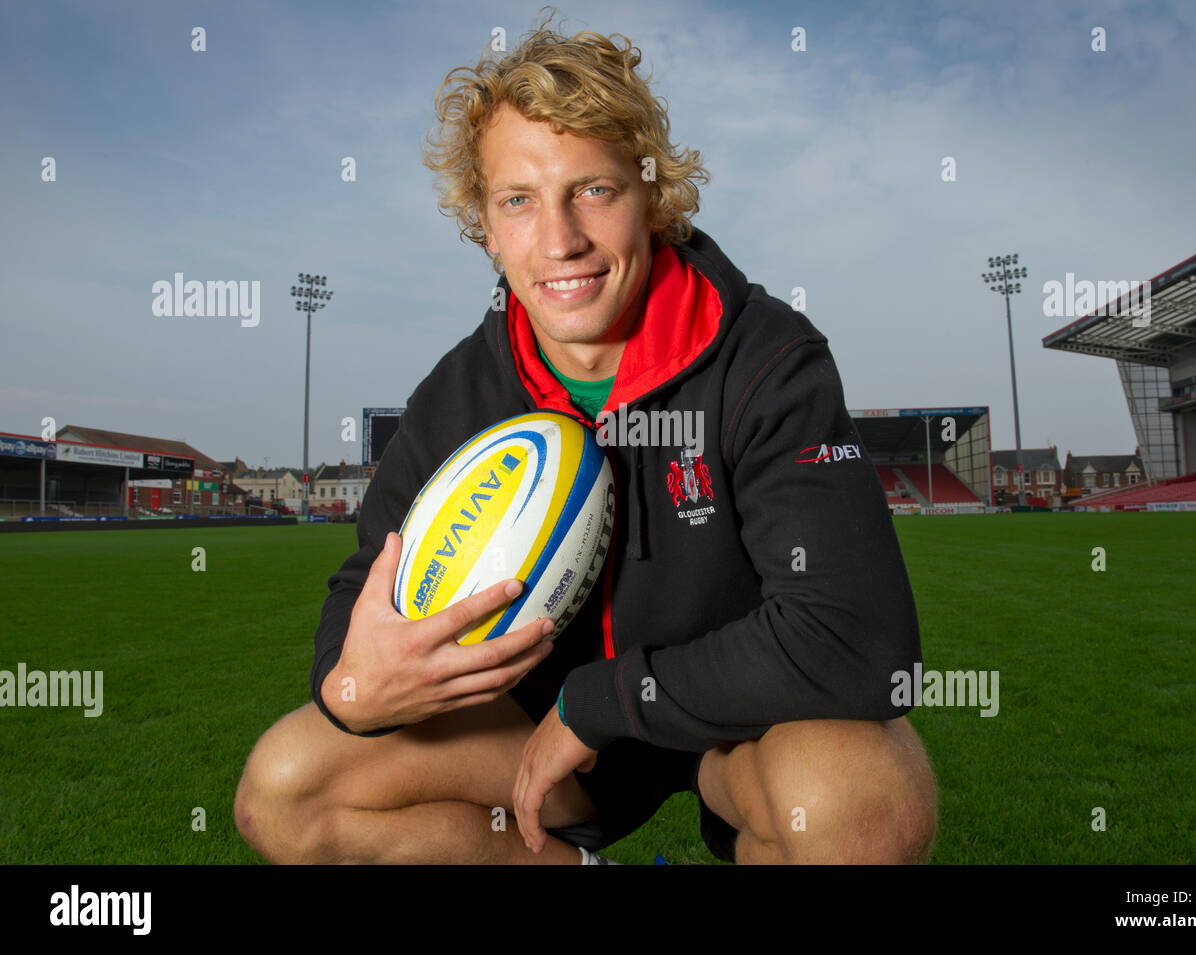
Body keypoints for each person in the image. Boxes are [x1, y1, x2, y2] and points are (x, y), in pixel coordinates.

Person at [235, 11, 937, 865]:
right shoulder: (459, 396)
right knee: (286, 787)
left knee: (858, 805)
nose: (560, 239)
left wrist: (604, 700)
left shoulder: (764, 356)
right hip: (536, 748)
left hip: (736, 725)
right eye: (519, 202)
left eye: (594, 189)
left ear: (654, 197)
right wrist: (358, 685)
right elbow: (354, 609)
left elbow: (860, 639)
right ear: (486, 229)